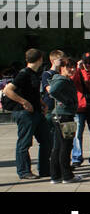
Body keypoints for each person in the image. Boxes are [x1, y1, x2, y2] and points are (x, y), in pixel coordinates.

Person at [3, 48, 51, 181]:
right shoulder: (23, 74)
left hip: (36, 111)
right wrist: (24, 103)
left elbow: (32, 92)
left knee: (46, 140)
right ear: (40, 59)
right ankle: (24, 171)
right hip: (25, 113)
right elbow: (8, 90)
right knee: (24, 143)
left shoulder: (35, 73)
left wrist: (42, 103)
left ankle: (45, 169)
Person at [47, 58, 80, 184]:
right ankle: (67, 176)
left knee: (58, 146)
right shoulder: (63, 80)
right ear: (62, 67)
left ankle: (55, 176)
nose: (72, 69)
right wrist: (66, 100)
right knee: (66, 146)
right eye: (68, 67)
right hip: (65, 116)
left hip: (59, 116)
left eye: (73, 67)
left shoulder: (59, 79)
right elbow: (53, 91)